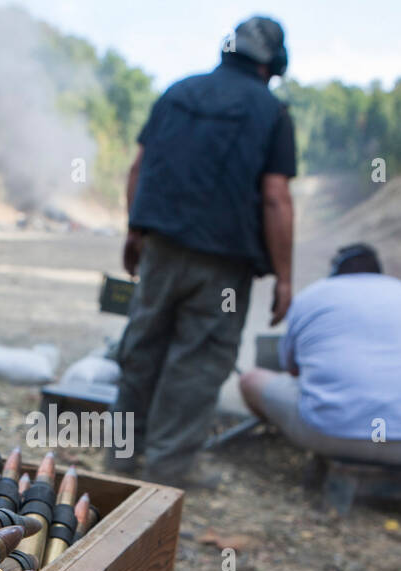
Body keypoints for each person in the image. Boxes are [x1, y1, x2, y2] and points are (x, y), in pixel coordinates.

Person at [112, 15, 297, 488]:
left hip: (161, 250)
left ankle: (121, 461)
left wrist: (135, 234)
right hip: (223, 264)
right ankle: (164, 477)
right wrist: (285, 277)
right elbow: (275, 196)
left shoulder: (177, 92)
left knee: (142, 346)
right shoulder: (273, 113)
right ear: (272, 65)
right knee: (196, 364)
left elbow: (139, 170)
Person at [240, 243, 401, 464]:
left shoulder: (312, 295)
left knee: (250, 380)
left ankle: (276, 438)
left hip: (331, 436)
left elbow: (292, 369)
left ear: (335, 272)